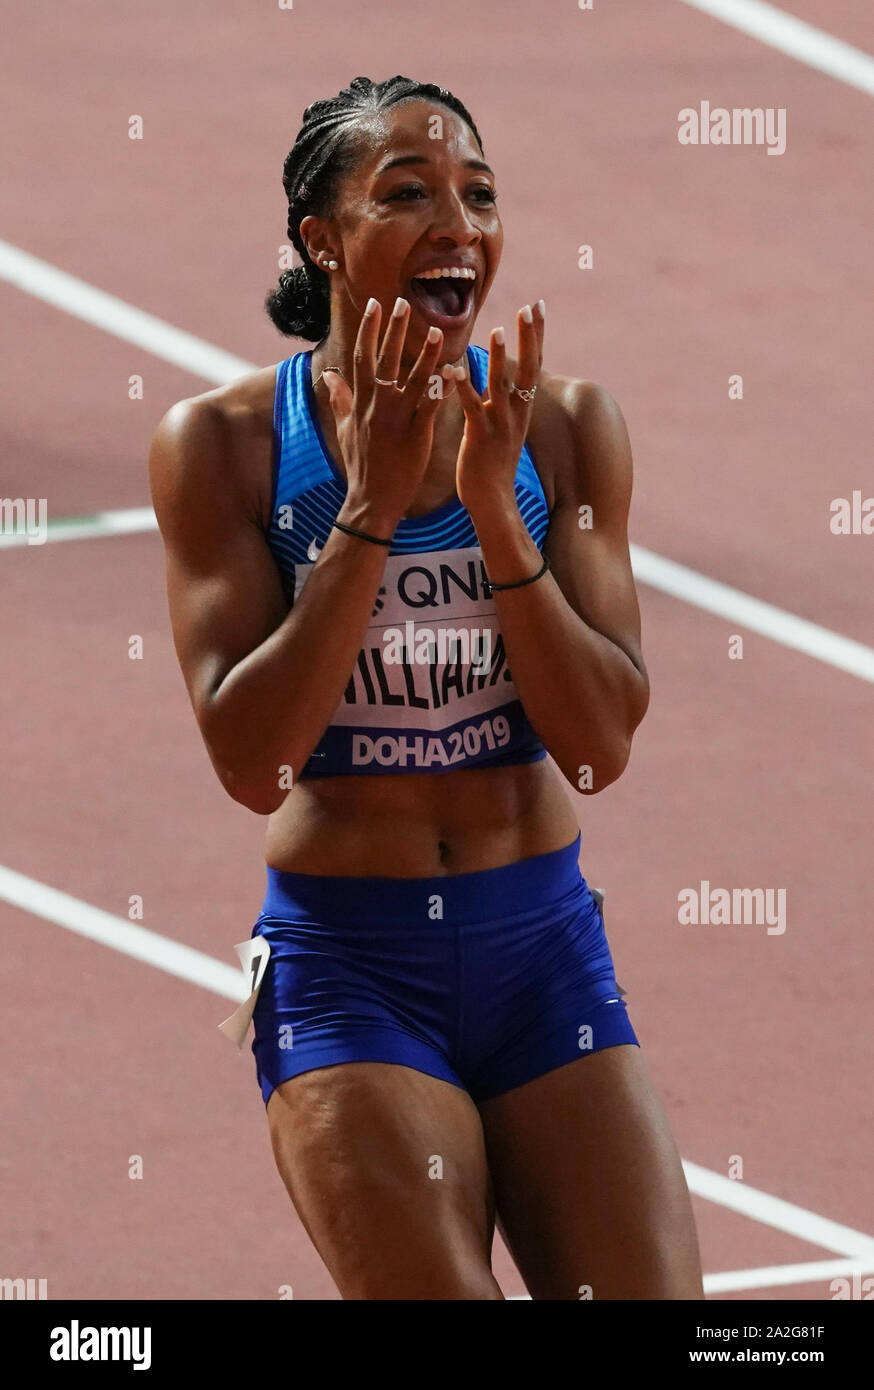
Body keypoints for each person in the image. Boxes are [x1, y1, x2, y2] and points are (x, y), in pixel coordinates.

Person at [149, 74, 704, 1301]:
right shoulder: (226, 443)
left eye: (480, 194)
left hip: (541, 952)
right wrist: (371, 510)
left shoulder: (561, 431)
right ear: (322, 241)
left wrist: (500, 529)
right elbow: (254, 766)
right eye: (406, 194)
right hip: (352, 968)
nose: (459, 223)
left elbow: (600, 745)